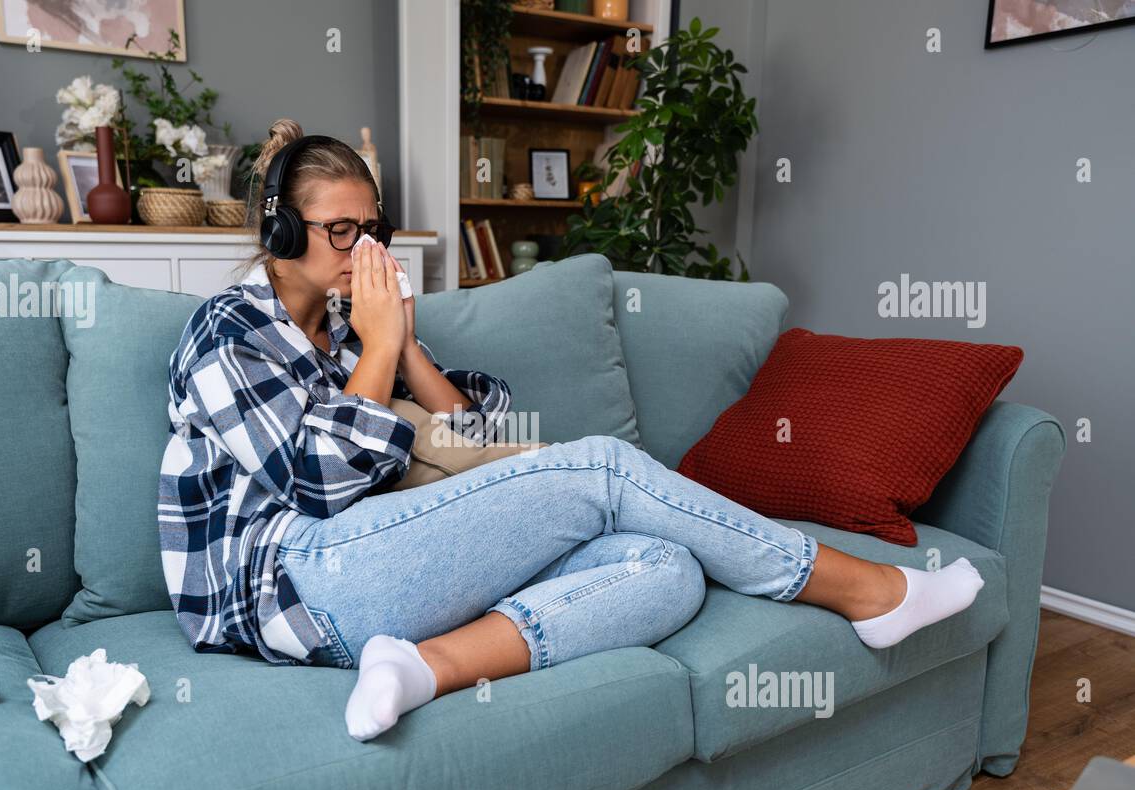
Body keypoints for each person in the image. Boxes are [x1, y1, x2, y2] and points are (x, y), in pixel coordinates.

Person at [158, 119, 986, 742]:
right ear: (277, 233)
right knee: (602, 468)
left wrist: (402, 346)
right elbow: (318, 486)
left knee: (666, 568)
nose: (362, 247)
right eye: (341, 230)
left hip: (397, 565)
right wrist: (377, 345)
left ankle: (421, 669)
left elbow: (472, 445)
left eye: (371, 228)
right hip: (293, 586)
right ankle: (867, 589)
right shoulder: (225, 333)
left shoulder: (353, 329)